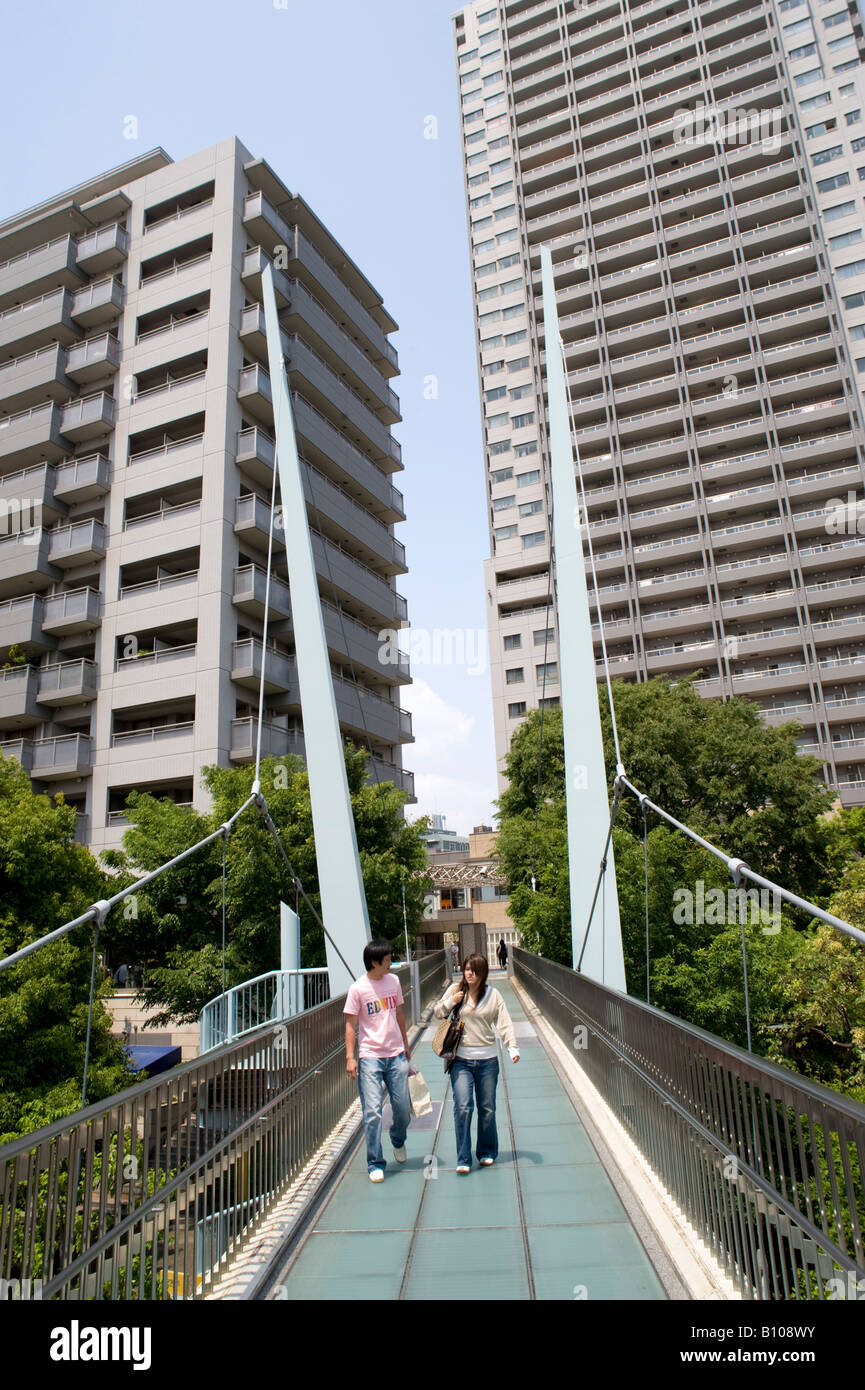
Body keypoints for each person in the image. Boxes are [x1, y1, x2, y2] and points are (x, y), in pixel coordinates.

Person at [434, 953, 519, 1173]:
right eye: (466, 969)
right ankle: (463, 1157)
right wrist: (452, 1001)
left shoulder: (493, 995)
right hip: (461, 1060)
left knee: (487, 1108)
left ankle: (487, 1152)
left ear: (482, 972)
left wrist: (512, 1047)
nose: (468, 973)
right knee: (462, 1107)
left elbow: (504, 1023)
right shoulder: (456, 990)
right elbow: (437, 1012)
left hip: (488, 1060)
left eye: (473, 970)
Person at [344, 938, 412, 1183]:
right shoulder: (358, 989)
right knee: (372, 1112)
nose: (390, 962)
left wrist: (405, 1044)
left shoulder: (393, 982)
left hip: (395, 1054)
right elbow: (350, 1025)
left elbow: (400, 1014)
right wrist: (350, 1057)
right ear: (374, 962)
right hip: (370, 1057)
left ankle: (398, 1138)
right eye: (387, 959)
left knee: (402, 1107)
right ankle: (375, 1162)